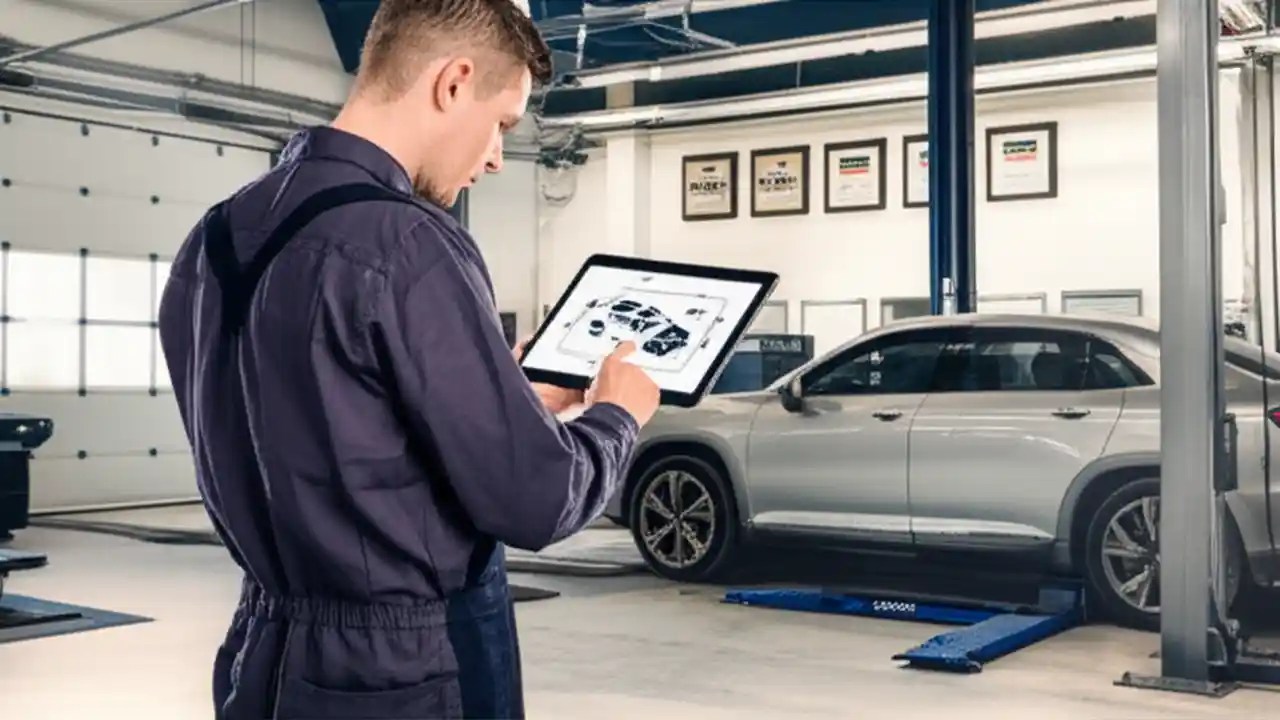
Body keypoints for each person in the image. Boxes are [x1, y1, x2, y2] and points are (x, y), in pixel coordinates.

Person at [157, 0, 660, 718]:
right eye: (503, 125)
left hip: (261, 658)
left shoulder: (213, 239)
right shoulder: (408, 243)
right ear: (453, 82)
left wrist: (507, 399)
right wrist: (617, 412)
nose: (493, 157)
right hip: (400, 675)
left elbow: (328, 425)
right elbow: (537, 499)